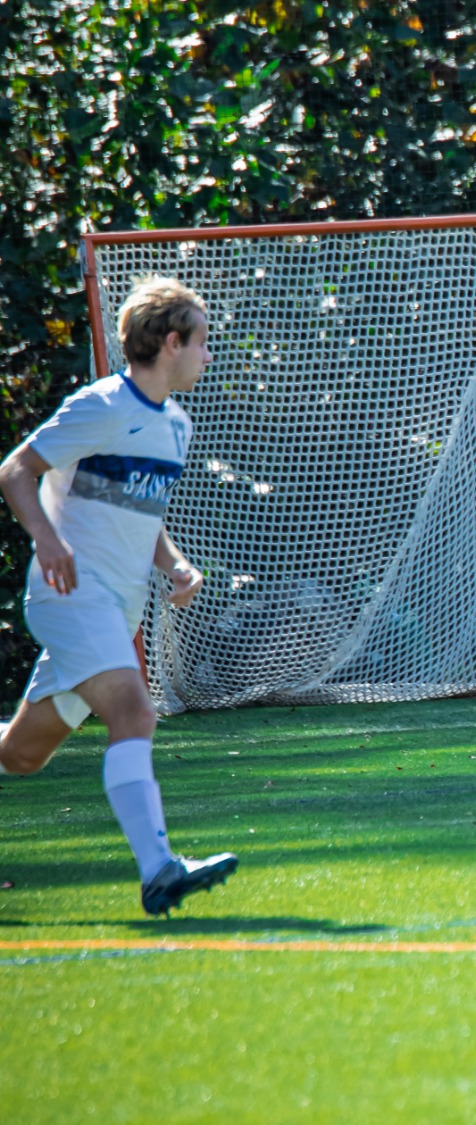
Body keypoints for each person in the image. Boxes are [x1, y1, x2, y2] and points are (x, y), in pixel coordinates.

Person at [0, 276, 239, 915]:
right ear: (170, 342)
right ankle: (159, 870)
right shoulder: (103, 404)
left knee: (20, 755)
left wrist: (176, 565)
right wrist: (46, 541)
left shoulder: (176, 426)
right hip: (72, 598)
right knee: (135, 713)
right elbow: (16, 469)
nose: (208, 356)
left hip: (112, 609)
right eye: (202, 342)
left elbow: (138, 511)